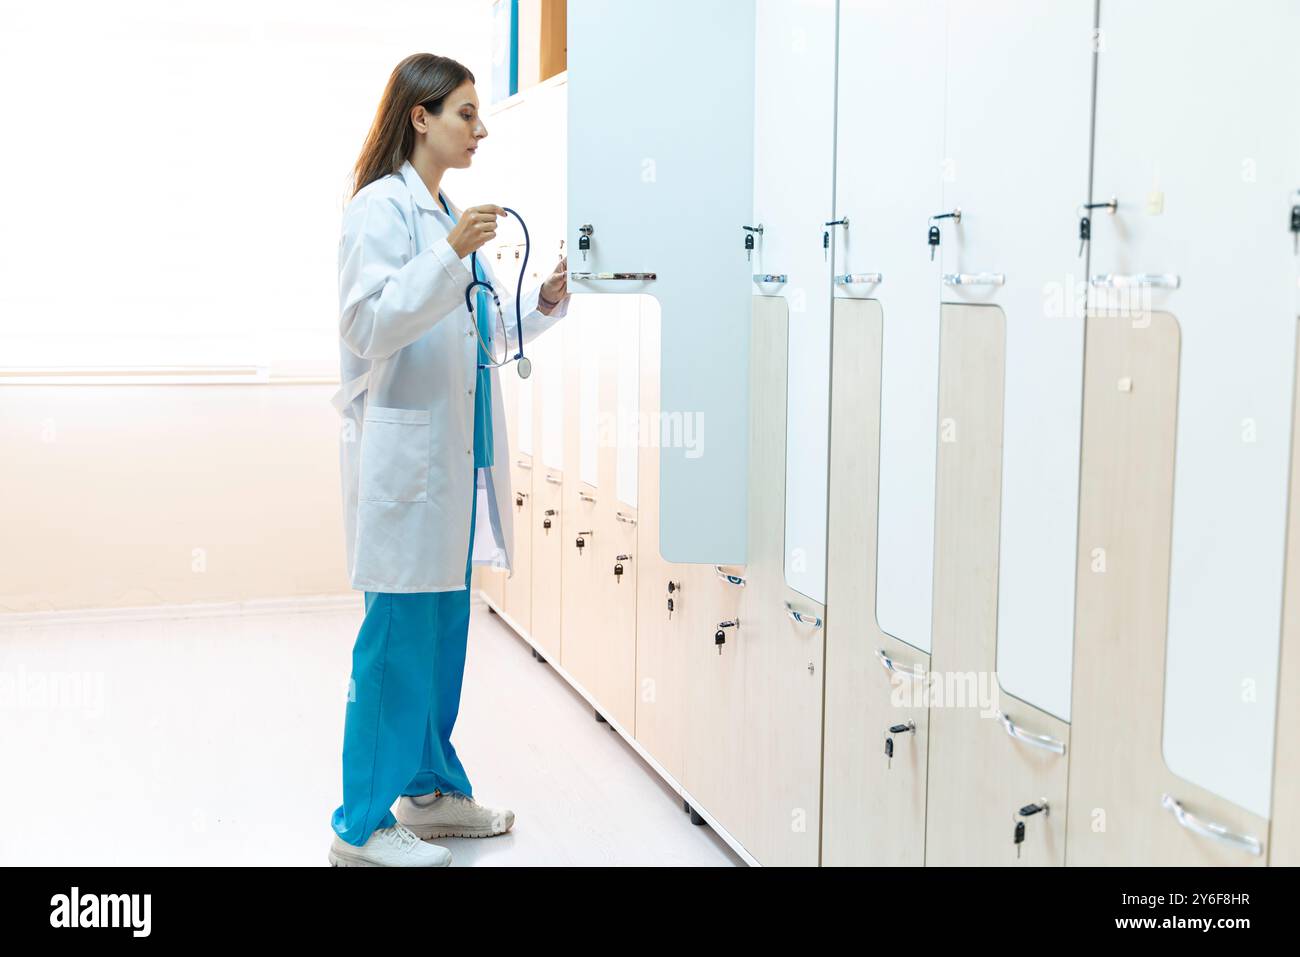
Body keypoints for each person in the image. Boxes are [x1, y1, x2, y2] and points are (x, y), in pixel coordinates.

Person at [327, 52, 570, 867]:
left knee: (440, 633)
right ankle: (358, 825)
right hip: (406, 461)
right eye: (466, 112)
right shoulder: (380, 211)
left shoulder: (446, 212)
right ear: (420, 116)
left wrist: (539, 307)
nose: (481, 128)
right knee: (394, 638)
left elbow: (480, 337)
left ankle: (427, 793)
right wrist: (446, 256)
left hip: (453, 465)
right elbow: (369, 326)